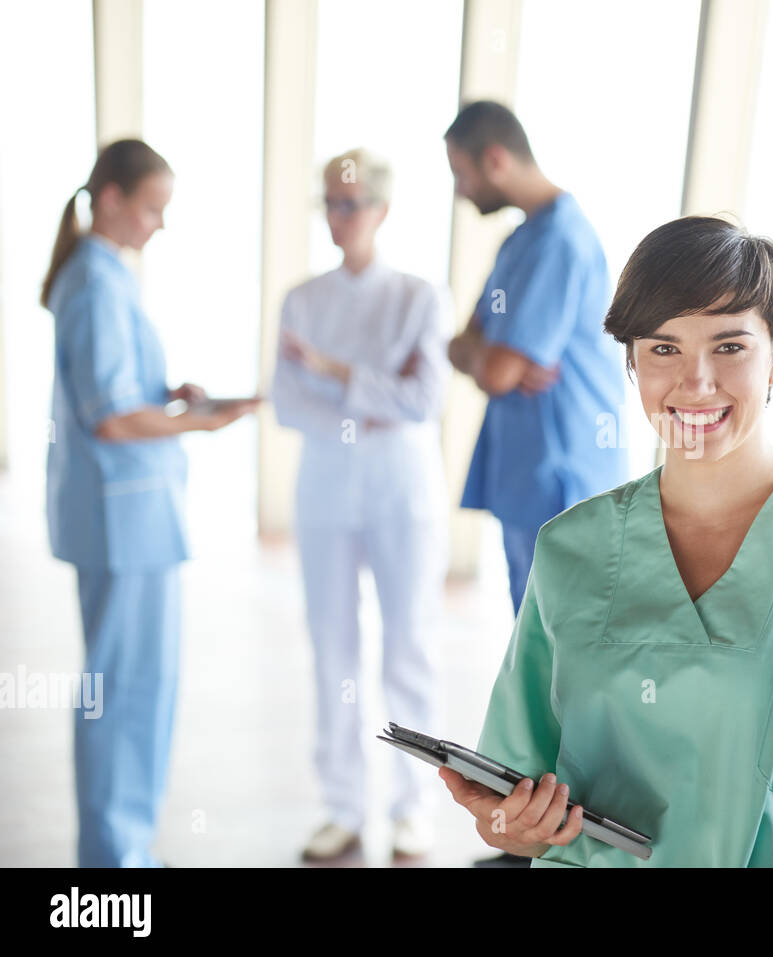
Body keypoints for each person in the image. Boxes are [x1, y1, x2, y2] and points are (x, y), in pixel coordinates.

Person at [438, 216, 773, 867]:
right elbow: (508, 805)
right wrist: (510, 822)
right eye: (663, 349)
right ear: (631, 361)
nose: (695, 382)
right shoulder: (570, 547)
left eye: (730, 347)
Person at [41, 138, 259, 867]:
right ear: (111, 200)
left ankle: (122, 845)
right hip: (123, 521)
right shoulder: (97, 282)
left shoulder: (100, 275)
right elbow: (106, 416)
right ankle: (114, 859)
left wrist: (168, 396)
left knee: (136, 687)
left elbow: (114, 393)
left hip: (127, 518)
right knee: (125, 692)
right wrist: (203, 421)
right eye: (152, 209)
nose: (158, 225)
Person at [271, 148, 452, 864]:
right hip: (324, 487)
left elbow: (424, 400)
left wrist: (333, 372)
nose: (336, 216)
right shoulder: (302, 299)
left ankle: (414, 804)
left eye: (349, 203)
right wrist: (375, 391)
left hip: (402, 489)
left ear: (380, 209)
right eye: (328, 202)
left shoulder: (419, 296)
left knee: (409, 644)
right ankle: (343, 803)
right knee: (332, 647)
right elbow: (287, 402)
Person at [444, 100, 629, 617]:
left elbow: (496, 372)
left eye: (462, 173)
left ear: (496, 160)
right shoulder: (520, 239)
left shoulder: (559, 242)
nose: (460, 190)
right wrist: (486, 356)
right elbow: (459, 345)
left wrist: (487, 359)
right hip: (527, 473)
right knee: (531, 635)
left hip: (563, 475)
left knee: (563, 647)